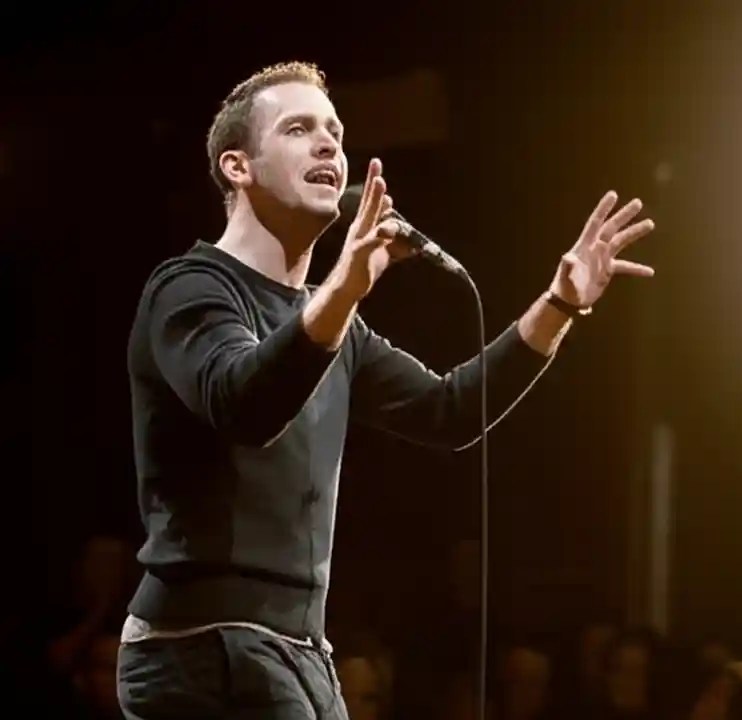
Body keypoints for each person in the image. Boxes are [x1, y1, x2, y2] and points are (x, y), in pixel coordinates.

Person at [115, 61, 655, 719]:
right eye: (299, 129)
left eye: (335, 134)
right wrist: (344, 288)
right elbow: (242, 404)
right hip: (202, 647)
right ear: (238, 167)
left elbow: (450, 411)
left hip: (299, 649)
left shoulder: (338, 320)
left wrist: (560, 304)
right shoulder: (191, 289)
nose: (328, 146)